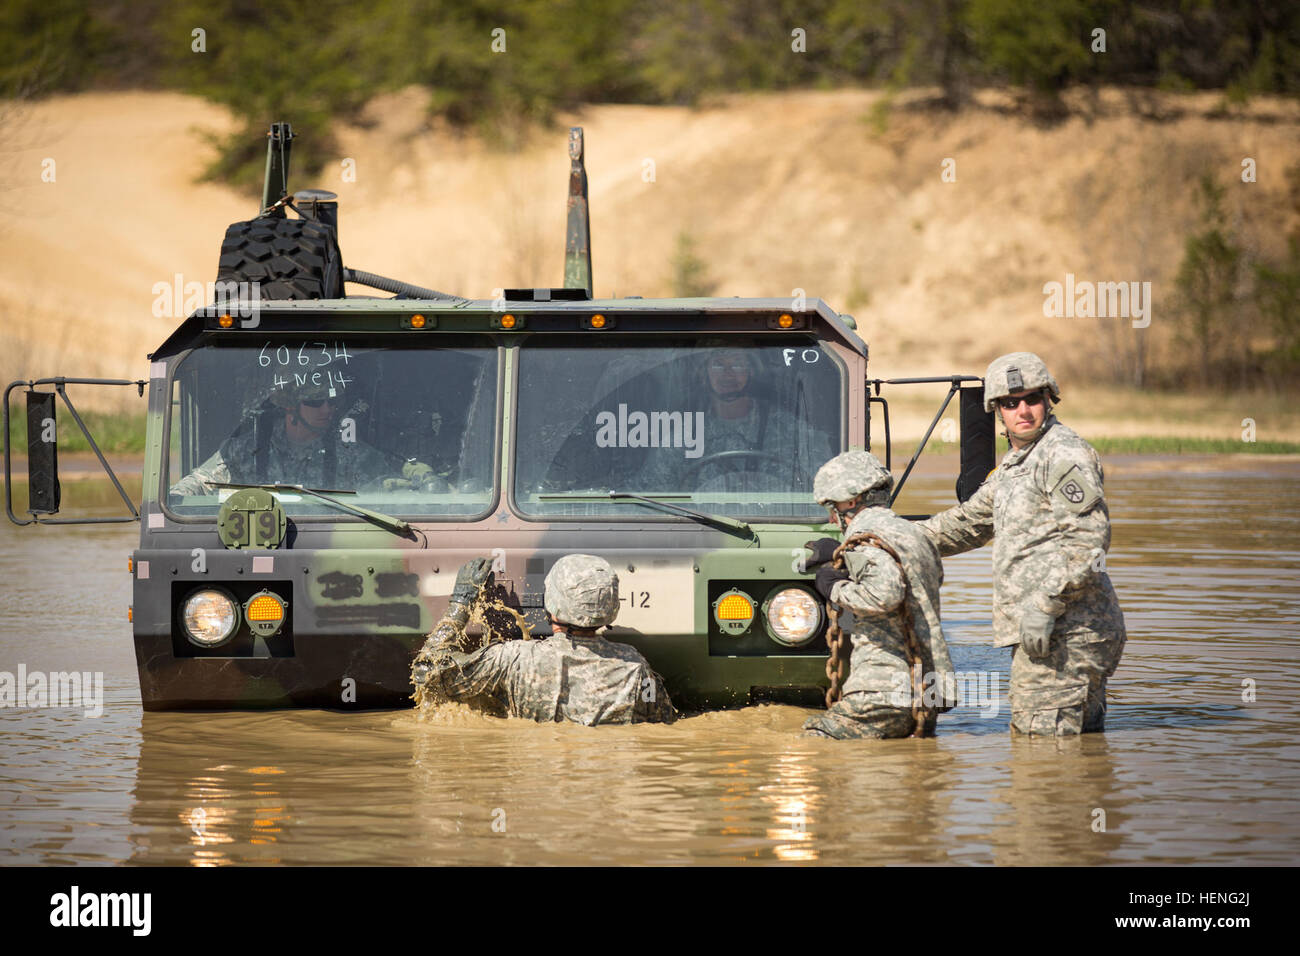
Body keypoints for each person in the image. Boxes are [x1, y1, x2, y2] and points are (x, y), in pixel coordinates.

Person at [920, 352, 1126, 736]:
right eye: (1010, 403)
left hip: (1067, 632)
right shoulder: (1017, 464)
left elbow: (1089, 540)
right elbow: (966, 523)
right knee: (1076, 758)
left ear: (1049, 399)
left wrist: (1047, 604)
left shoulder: (1062, 453)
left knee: (1039, 758)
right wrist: (890, 538)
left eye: (1032, 399)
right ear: (996, 410)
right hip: (1054, 633)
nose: (1023, 410)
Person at [410, 554, 677, 725]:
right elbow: (663, 723)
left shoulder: (513, 658)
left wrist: (461, 605)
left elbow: (428, 674)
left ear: (552, 605)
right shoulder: (634, 666)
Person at [801, 450, 956, 739]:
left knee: (812, 744)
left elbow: (885, 594)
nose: (833, 519)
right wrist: (847, 562)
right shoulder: (914, 535)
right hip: (926, 694)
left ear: (851, 500)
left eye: (832, 508)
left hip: (880, 691)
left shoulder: (865, 535)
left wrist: (833, 586)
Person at [169, 379, 437, 496]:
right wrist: (175, 499)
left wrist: (425, 481)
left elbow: (384, 484)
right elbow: (201, 482)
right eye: (315, 401)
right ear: (290, 407)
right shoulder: (248, 449)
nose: (327, 409)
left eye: (332, 402)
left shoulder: (349, 451)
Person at [637, 342, 833, 493]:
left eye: (737, 365)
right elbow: (650, 490)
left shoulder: (788, 430)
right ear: (704, 373)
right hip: (699, 533)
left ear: (751, 371)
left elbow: (826, 483)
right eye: (718, 365)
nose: (728, 374)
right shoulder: (686, 434)